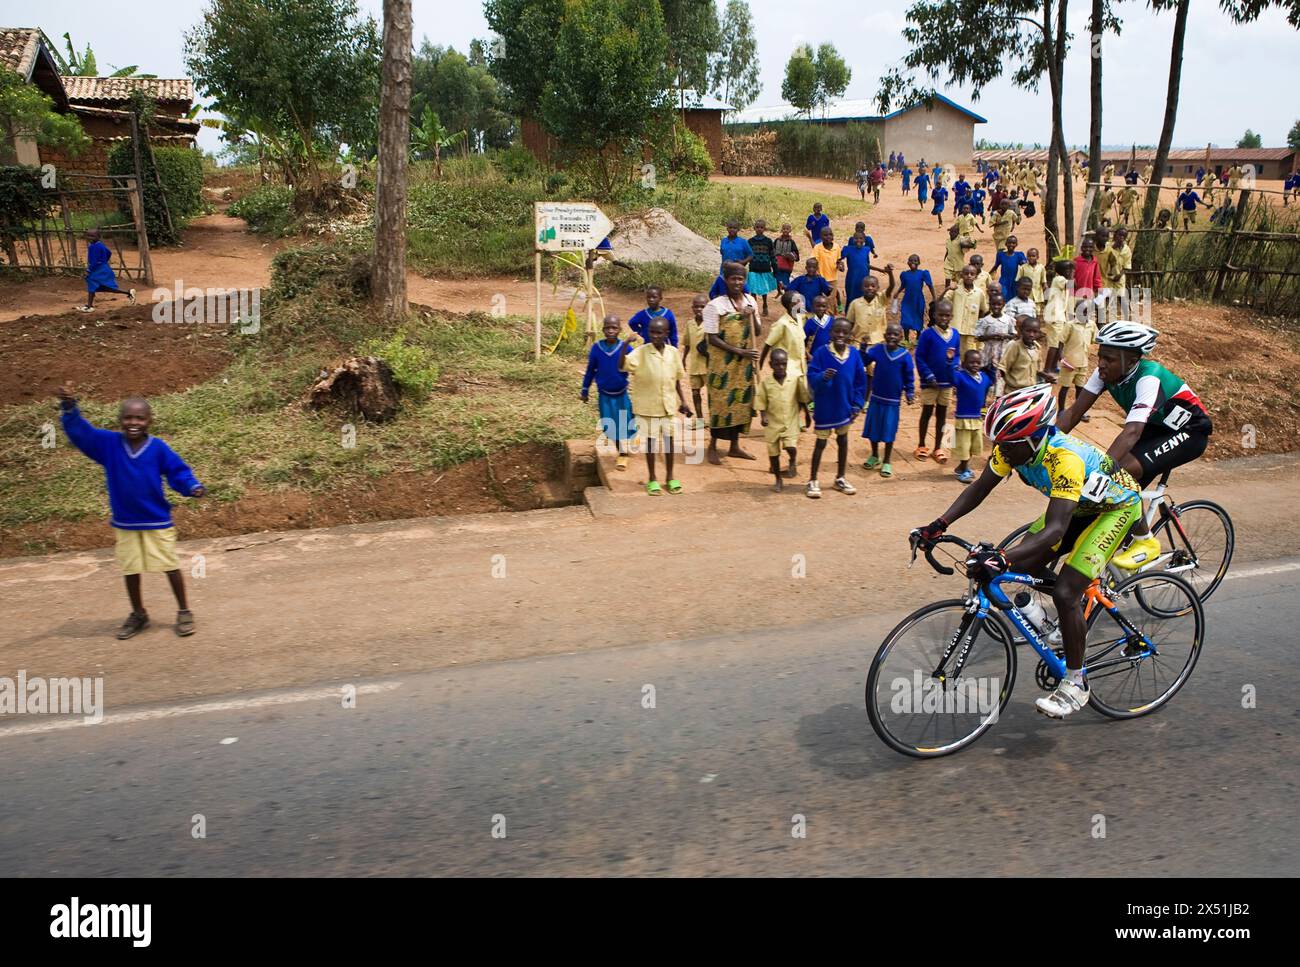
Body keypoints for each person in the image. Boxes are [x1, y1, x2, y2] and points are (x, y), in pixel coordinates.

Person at [914, 384, 1144, 718]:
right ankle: (1062, 625)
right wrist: (938, 524)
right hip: (1080, 505)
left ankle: (1076, 683)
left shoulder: (1063, 459)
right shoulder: (1013, 449)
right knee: (1030, 563)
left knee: (1065, 591)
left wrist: (1003, 558)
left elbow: (1054, 530)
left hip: (1115, 509)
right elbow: (980, 488)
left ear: (1033, 437)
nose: (999, 450)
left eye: (1006, 443)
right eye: (997, 442)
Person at [1056, 321, 1212, 568]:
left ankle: (1145, 541)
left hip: (1189, 432)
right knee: (1107, 494)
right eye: (1100, 357)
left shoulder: (1148, 379)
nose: (1101, 364)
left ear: (1131, 361)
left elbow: (1131, 432)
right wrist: (1043, 445)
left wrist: (1101, 473)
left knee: (1119, 474)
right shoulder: (1103, 374)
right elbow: (1074, 412)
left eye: (1108, 358)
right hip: (1155, 429)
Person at [57, 386, 205, 638]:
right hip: (125, 522)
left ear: (149, 421)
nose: (133, 422)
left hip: (156, 520)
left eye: (139, 418)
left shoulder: (158, 448)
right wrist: (70, 408)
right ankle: (139, 613)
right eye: (128, 417)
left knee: (169, 566)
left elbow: (177, 471)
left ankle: (183, 610)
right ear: (120, 420)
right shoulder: (109, 445)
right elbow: (83, 434)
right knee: (130, 569)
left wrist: (191, 486)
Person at [622, 317, 692, 495]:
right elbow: (622, 365)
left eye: (659, 332)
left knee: (669, 443)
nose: (655, 336)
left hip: (667, 405)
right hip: (648, 407)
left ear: (666, 333)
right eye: (652, 332)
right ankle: (652, 478)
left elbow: (676, 379)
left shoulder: (673, 353)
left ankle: (670, 477)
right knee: (651, 444)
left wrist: (683, 401)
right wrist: (625, 344)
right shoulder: (641, 352)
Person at [702, 264, 761, 465]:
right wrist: (739, 351)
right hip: (721, 366)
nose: (737, 283)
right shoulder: (715, 306)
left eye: (740, 279)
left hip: (743, 367)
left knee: (741, 404)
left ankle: (734, 447)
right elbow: (712, 338)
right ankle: (712, 445)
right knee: (721, 404)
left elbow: (758, 331)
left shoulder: (750, 301)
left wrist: (751, 315)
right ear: (725, 280)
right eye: (733, 279)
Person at [805, 318, 866, 498]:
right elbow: (811, 376)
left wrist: (857, 404)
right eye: (836, 331)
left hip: (844, 406)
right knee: (821, 443)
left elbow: (860, 383)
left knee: (843, 441)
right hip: (826, 406)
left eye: (844, 332)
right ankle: (813, 479)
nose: (840, 335)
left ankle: (840, 477)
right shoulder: (821, 353)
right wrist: (822, 377)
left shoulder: (854, 354)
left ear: (849, 336)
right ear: (830, 333)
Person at [582, 314, 638, 471]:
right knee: (611, 426)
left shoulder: (626, 348)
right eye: (607, 327)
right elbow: (590, 370)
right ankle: (623, 453)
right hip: (605, 395)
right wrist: (585, 389)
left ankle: (624, 452)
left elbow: (636, 366)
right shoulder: (597, 348)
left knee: (626, 422)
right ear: (603, 330)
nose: (611, 330)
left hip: (621, 393)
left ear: (619, 330)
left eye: (614, 328)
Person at [862, 322, 915, 477]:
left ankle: (886, 460)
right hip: (876, 398)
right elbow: (864, 361)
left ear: (901, 337)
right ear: (885, 336)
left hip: (893, 401)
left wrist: (910, 392)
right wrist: (863, 347)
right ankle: (874, 455)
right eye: (889, 334)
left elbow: (909, 377)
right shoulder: (878, 350)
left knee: (889, 431)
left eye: (896, 334)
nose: (892, 337)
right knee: (874, 429)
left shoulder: (905, 356)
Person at [756, 348, 811, 492]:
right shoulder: (766, 384)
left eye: (783, 364)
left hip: (790, 421)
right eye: (777, 364)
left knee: (790, 446)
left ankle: (792, 460)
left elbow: (802, 398)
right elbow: (761, 402)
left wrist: (807, 415)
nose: (781, 367)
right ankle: (778, 479)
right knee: (773, 453)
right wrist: (763, 417)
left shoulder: (794, 380)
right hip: (773, 423)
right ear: (771, 365)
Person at [914, 299, 959, 463]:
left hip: (947, 382)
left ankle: (939, 447)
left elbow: (957, 356)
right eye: (941, 315)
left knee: (942, 414)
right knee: (926, 412)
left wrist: (953, 369)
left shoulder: (955, 335)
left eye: (947, 315)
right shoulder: (927, 334)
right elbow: (919, 357)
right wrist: (928, 375)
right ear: (934, 315)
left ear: (951, 316)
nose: (944, 319)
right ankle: (921, 445)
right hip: (930, 382)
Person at [951, 349, 994, 484]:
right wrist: (949, 361)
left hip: (976, 417)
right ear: (964, 364)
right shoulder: (961, 376)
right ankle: (964, 469)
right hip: (963, 417)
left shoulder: (983, 377)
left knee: (973, 445)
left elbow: (991, 380)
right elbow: (951, 377)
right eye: (971, 362)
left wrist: (991, 367)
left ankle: (962, 467)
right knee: (963, 445)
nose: (975, 365)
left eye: (978, 362)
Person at [78, 229, 136, 312]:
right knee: (103, 287)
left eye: (92, 236)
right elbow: (108, 252)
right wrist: (104, 261)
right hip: (102, 268)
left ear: (98, 237)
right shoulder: (99, 245)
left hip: (98, 269)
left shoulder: (95, 247)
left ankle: (90, 306)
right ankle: (129, 293)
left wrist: (89, 270)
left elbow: (95, 261)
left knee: (92, 283)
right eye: (88, 236)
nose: (90, 238)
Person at [760, 288, 809, 380]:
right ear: (792, 306)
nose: (803, 304)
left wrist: (807, 354)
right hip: (788, 371)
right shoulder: (782, 324)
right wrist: (760, 364)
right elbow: (768, 344)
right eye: (799, 302)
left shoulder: (800, 319)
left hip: (801, 367)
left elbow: (799, 341)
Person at [943, 264, 989, 357]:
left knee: (968, 357)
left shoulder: (979, 293)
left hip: (970, 332)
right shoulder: (955, 290)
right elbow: (941, 302)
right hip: (955, 330)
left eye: (972, 274)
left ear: (975, 276)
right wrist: (947, 289)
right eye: (966, 273)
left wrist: (979, 325)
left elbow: (984, 310)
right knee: (952, 355)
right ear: (961, 275)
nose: (969, 276)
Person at [974, 289, 1014, 394]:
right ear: (989, 305)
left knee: (1000, 380)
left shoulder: (1008, 320)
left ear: (1003, 305)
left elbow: (1014, 335)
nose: (996, 307)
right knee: (986, 379)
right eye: (993, 304)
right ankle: (983, 404)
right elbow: (978, 337)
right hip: (988, 354)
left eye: (999, 304)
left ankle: (998, 402)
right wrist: (992, 336)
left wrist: (1005, 336)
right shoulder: (986, 320)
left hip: (1003, 353)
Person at [680, 294, 711, 428]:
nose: (699, 309)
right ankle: (699, 420)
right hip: (694, 364)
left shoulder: (711, 323)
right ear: (692, 308)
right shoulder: (690, 324)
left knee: (711, 394)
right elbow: (687, 343)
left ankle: (714, 419)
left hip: (708, 365)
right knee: (695, 392)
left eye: (702, 307)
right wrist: (683, 359)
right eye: (696, 307)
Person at [1041, 257, 1074, 377]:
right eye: (1070, 270)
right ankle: (1047, 369)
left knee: (1057, 343)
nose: (1071, 272)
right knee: (1054, 345)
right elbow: (1070, 285)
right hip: (1055, 317)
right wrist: (1071, 276)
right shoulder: (1059, 279)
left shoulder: (1060, 279)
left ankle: (1053, 367)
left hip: (1057, 316)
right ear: (1064, 271)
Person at [847, 268, 895, 350]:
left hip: (877, 341)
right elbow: (849, 322)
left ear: (878, 288)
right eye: (866, 286)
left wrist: (890, 273)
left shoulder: (881, 299)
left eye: (873, 286)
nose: (870, 288)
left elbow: (891, 287)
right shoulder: (855, 303)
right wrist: (848, 335)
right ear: (862, 288)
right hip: (858, 342)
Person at [1000, 315, 1048, 392]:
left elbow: (1037, 369)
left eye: (1035, 332)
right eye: (1028, 331)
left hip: (1030, 390)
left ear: (1039, 333)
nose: (1031, 334)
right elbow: (1002, 368)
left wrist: (1046, 376)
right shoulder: (1014, 346)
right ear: (1022, 331)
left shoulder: (1037, 347)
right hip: (1014, 390)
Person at [895, 253, 935, 344]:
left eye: (915, 261)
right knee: (905, 318)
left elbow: (930, 285)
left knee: (918, 317)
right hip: (907, 300)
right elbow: (903, 285)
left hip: (918, 300)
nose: (913, 262)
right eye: (911, 260)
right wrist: (897, 293)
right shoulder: (905, 275)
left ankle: (918, 338)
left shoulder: (923, 274)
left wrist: (934, 297)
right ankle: (906, 339)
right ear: (907, 262)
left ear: (919, 263)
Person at [711, 220, 753, 299]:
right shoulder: (723, 241)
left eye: (735, 228)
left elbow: (750, 255)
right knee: (723, 290)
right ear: (727, 228)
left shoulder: (743, 242)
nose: (732, 230)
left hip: (738, 271)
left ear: (738, 229)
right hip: (724, 271)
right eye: (730, 227)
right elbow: (722, 252)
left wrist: (743, 262)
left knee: (743, 290)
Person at [840, 223, 877, 309]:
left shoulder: (866, 249)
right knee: (851, 295)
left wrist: (880, 270)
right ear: (853, 240)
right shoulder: (848, 249)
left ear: (864, 240)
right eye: (856, 238)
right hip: (852, 277)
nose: (858, 240)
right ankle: (849, 315)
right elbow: (839, 258)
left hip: (864, 276)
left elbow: (866, 264)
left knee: (863, 294)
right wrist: (840, 264)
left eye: (861, 238)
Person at [747, 219, 779, 316]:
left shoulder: (768, 241)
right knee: (753, 289)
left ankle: (765, 304)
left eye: (761, 227)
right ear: (754, 228)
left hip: (765, 269)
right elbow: (747, 255)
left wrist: (775, 269)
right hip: (753, 268)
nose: (759, 229)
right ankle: (754, 306)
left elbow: (773, 256)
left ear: (764, 229)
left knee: (764, 290)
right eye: (757, 227)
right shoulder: (750, 241)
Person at [813, 227, 843, 311]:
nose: (828, 237)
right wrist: (815, 272)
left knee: (830, 300)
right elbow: (813, 261)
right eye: (825, 235)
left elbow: (839, 260)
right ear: (821, 237)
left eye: (830, 234)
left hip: (833, 279)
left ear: (833, 236)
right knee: (821, 301)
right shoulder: (817, 248)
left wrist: (840, 266)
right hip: (821, 279)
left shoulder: (837, 247)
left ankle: (830, 320)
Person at [993, 235, 1028, 303]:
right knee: (1003, 296)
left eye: (1013, 243)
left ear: (1016, 244)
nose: (1011, 245)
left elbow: (1025, 266)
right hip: (1004, 280)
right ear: (1006, 244)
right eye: (1009, 243)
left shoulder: (1019, 255)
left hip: (1015, 280)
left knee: (1014, 298)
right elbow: (996, 266)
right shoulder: (1000, 255)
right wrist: (988, 273)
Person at [1017, 247, 1047, 319]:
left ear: (1037, 257)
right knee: (1027, 310)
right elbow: (1018, 280)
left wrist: (1045, 288)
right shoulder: (1023, 268)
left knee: (1038, 311)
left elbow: (1043, 281)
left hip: (1038, 294)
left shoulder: (1041, 267)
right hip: (1026, 294)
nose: (1031, 258)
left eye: (1033, 256)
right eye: (1029, 256)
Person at [772, 224, 800, 291]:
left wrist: (791, 256)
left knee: (785, 280)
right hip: (777, 264)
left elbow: (796, 255)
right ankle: (779, 291)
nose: (785, 230)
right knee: (777, 279)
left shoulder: (792, 242)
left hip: (787, 266)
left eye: (787, 229)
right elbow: (772, 251)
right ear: (781, 230)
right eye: (784, 229)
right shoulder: (777, 240)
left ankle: (787, 294)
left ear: (790, 230)